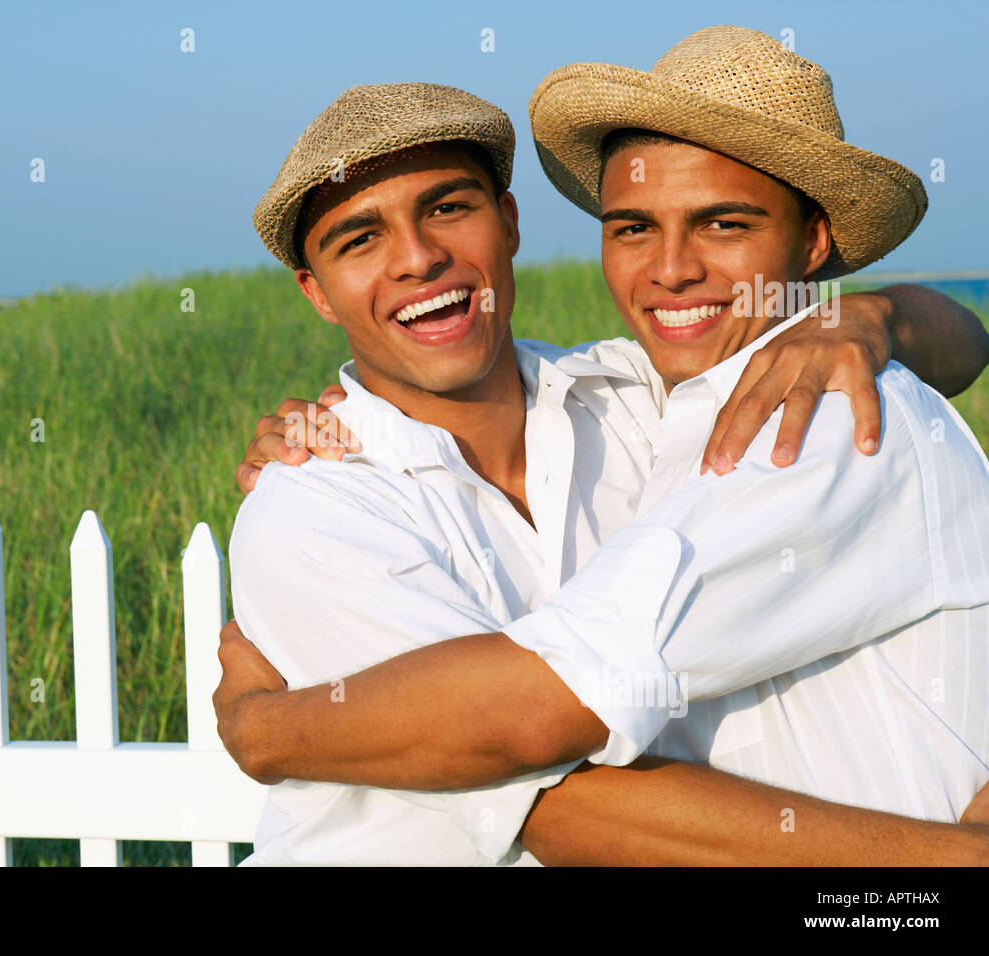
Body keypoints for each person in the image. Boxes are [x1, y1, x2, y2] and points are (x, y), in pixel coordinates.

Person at [217, 28, 989, 865]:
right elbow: (541, 797)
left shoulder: (749, 406)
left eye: (447, 207)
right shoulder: (315, 500)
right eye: (359, 239)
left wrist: (271, 730)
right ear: (316, 293)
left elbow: (528, 722)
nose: (418, 258)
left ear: (508, 223)